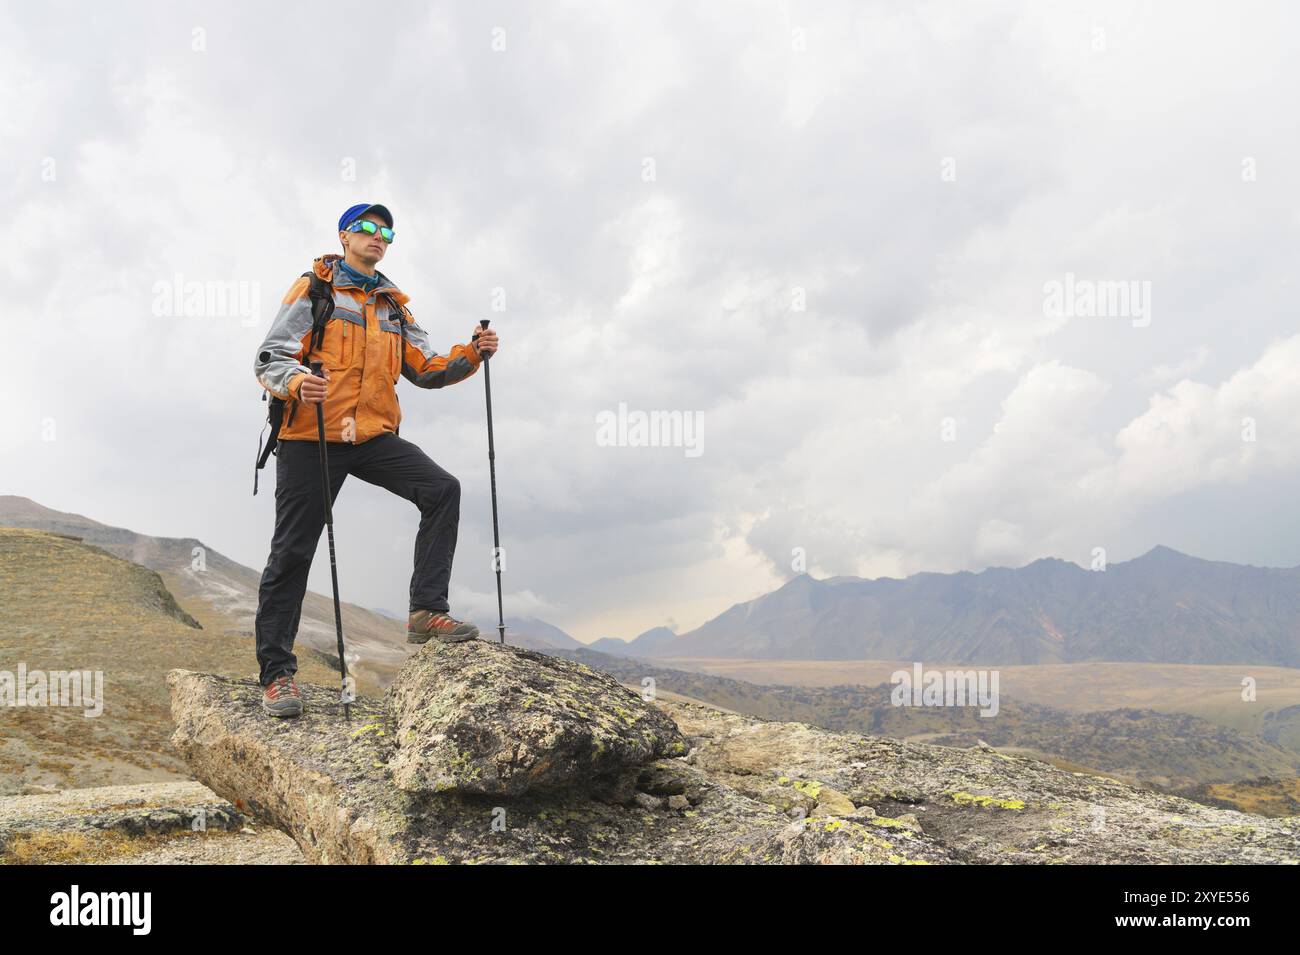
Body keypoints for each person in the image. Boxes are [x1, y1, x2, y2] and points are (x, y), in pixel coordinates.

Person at [251, 203, 499, 717]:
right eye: (366, 227)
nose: (378, 236)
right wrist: (298, 382)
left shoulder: (393, 307)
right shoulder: (315, 289)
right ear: (344, 236)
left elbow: (427, 369)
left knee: (442, 489)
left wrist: (473, 352)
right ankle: (276, 674)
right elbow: (270, 355)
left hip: (369, 434)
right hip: (310, 434)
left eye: (386, 231)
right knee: (293, 553)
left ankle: (426, 612)